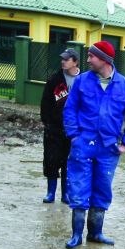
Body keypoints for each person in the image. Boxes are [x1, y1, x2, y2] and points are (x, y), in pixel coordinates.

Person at [61, 40, 125, 247]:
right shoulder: (82, 81)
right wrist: (74, 135)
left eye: (91, 56)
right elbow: (70, 109)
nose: (87, 60)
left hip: (109, 147)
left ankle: (95, 233)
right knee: (79, 187)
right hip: (83, 143)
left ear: (104, 59)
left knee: (102, 188)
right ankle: (76, 235)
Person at [39, 48, 81, 204]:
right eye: (62, 59)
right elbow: (45, 103)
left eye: (67, 59)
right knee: (51, 160)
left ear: (75, 62)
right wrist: (47, 123)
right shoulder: (54, 79)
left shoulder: (82, 80)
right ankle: (50, 192)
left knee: (68, 163)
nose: (63, 61)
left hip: (74, 130)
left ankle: (66, 194)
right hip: (54, 128)